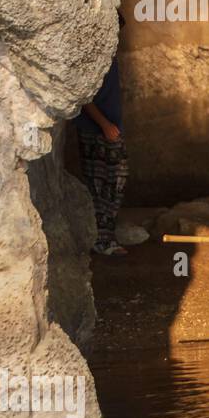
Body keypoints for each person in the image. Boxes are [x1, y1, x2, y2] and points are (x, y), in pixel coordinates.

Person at [74, 17, 129, 256]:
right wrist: (104, 125)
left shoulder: (107, 56)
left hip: (107, 128)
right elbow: (83, 95)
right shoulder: (92, 58)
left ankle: (105, 238)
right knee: (104, 183)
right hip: (96, 130)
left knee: (113, 182)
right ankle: (101, 240)